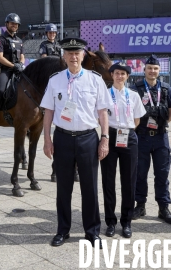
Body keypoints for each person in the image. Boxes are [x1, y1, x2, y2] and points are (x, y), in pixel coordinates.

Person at [42, 37, 112, 248]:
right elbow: (48, 111)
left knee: (90, 188)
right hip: (62, 138)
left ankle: (92, 232)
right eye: (69, 53)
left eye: (77, 53)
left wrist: (105, 139)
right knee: (63, 188)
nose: (73, 56)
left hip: (88, 139)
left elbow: (103, 112)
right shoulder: (55, 80)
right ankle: (63, 231)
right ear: (63, 56)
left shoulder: (95, 80)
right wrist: (46, 139)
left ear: (83, 55)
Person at [101, 62, 146, 238]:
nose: (119, 76)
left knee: (129, 181)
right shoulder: (104, 95)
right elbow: (100, 117)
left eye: (123, 74)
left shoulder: (134, 96)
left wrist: (125, 130)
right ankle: (110, 221)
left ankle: (126, 221)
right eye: (116, 73)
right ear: (111, 75)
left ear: (127, 76)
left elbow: (137, 121)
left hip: (128, 137)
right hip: (109, 137)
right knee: (108, 181)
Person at [131, 54, 171, 225]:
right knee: (140, 173)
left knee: (162, 174)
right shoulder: (136, 89)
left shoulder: (166, 89)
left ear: (159, 70)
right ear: (144, 70)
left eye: (155, 68)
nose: (152, 71)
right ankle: (140, 205)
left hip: (160, 137)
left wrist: (161, 122)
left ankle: (163, 207)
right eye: (149, 68)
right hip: (141, 136)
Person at [0, 13, 25, 132]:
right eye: (12, 23)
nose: (14, 25)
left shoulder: (19, 40)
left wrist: (21, 64)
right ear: (7, 24)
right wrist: (14, 66)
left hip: (17, 69)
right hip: (4, 70)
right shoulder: (0, 39)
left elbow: (22, 56)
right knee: (1, 90)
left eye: (16, 24)